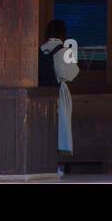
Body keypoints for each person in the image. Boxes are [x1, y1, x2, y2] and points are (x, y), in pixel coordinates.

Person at [39, 18, 79, 173]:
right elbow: (71, 74)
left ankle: (44, 161)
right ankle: (59, 163)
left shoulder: (40, 49)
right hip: (59, 91)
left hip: (41, 94)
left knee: (44, 127)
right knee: (61, 128)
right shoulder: (65, 51)